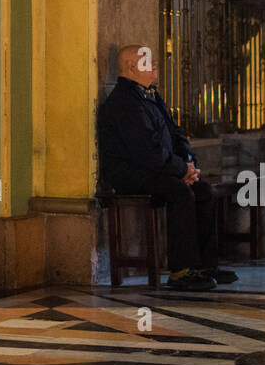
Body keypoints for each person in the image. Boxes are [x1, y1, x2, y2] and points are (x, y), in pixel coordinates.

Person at [97, 44, 236, 291]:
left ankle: (203, 266)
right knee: (180, 192)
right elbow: (145, 151)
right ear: (131, 66)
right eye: (148, 62)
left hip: (156, 168)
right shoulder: (124, 102)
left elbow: (176, 133)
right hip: (131, 173)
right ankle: (181, 271)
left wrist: (190, 162)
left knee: (204, 191)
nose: (155, 67)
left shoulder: (151, 95)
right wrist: (180, 169)